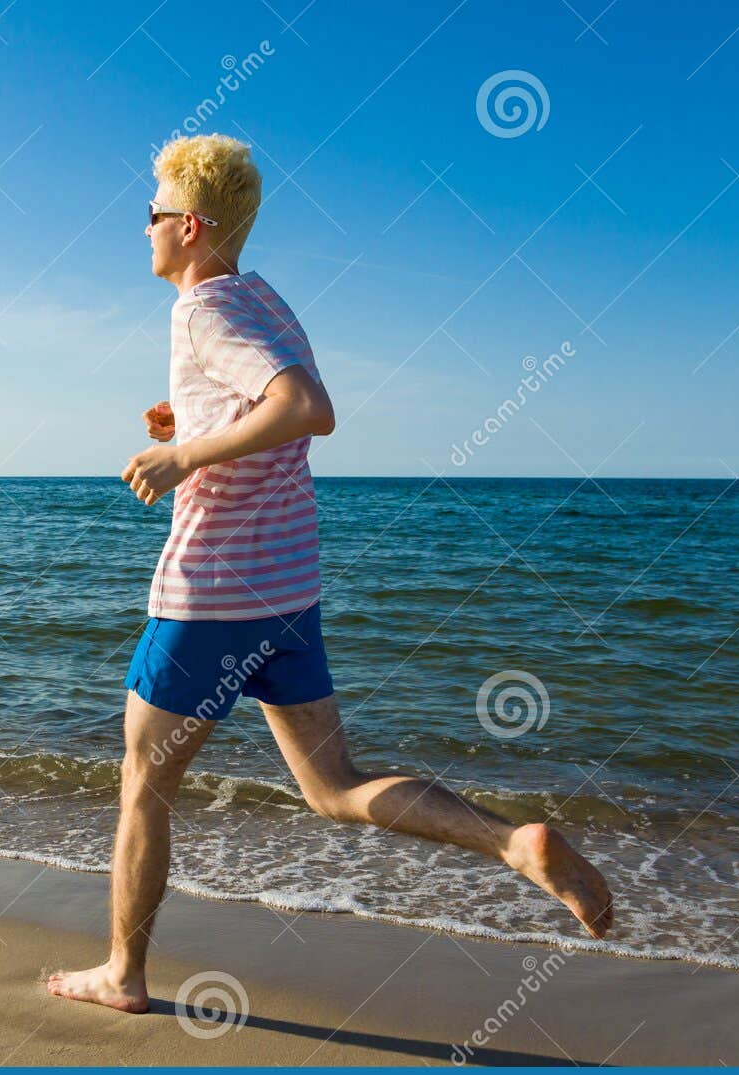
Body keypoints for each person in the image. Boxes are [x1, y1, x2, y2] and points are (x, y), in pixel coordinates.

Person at [47, 134, 614, 1014]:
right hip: (286, 587)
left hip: (213, 590)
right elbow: (274, 401)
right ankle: (513, 844)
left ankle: (122, 974)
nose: (142, 229)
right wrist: (190, 417)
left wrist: (182, 453)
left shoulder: (200, 310)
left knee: (144, 782)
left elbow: (308, 409)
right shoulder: (261, 296)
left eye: (151, 213)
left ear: (189, 227)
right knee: (334, 786)